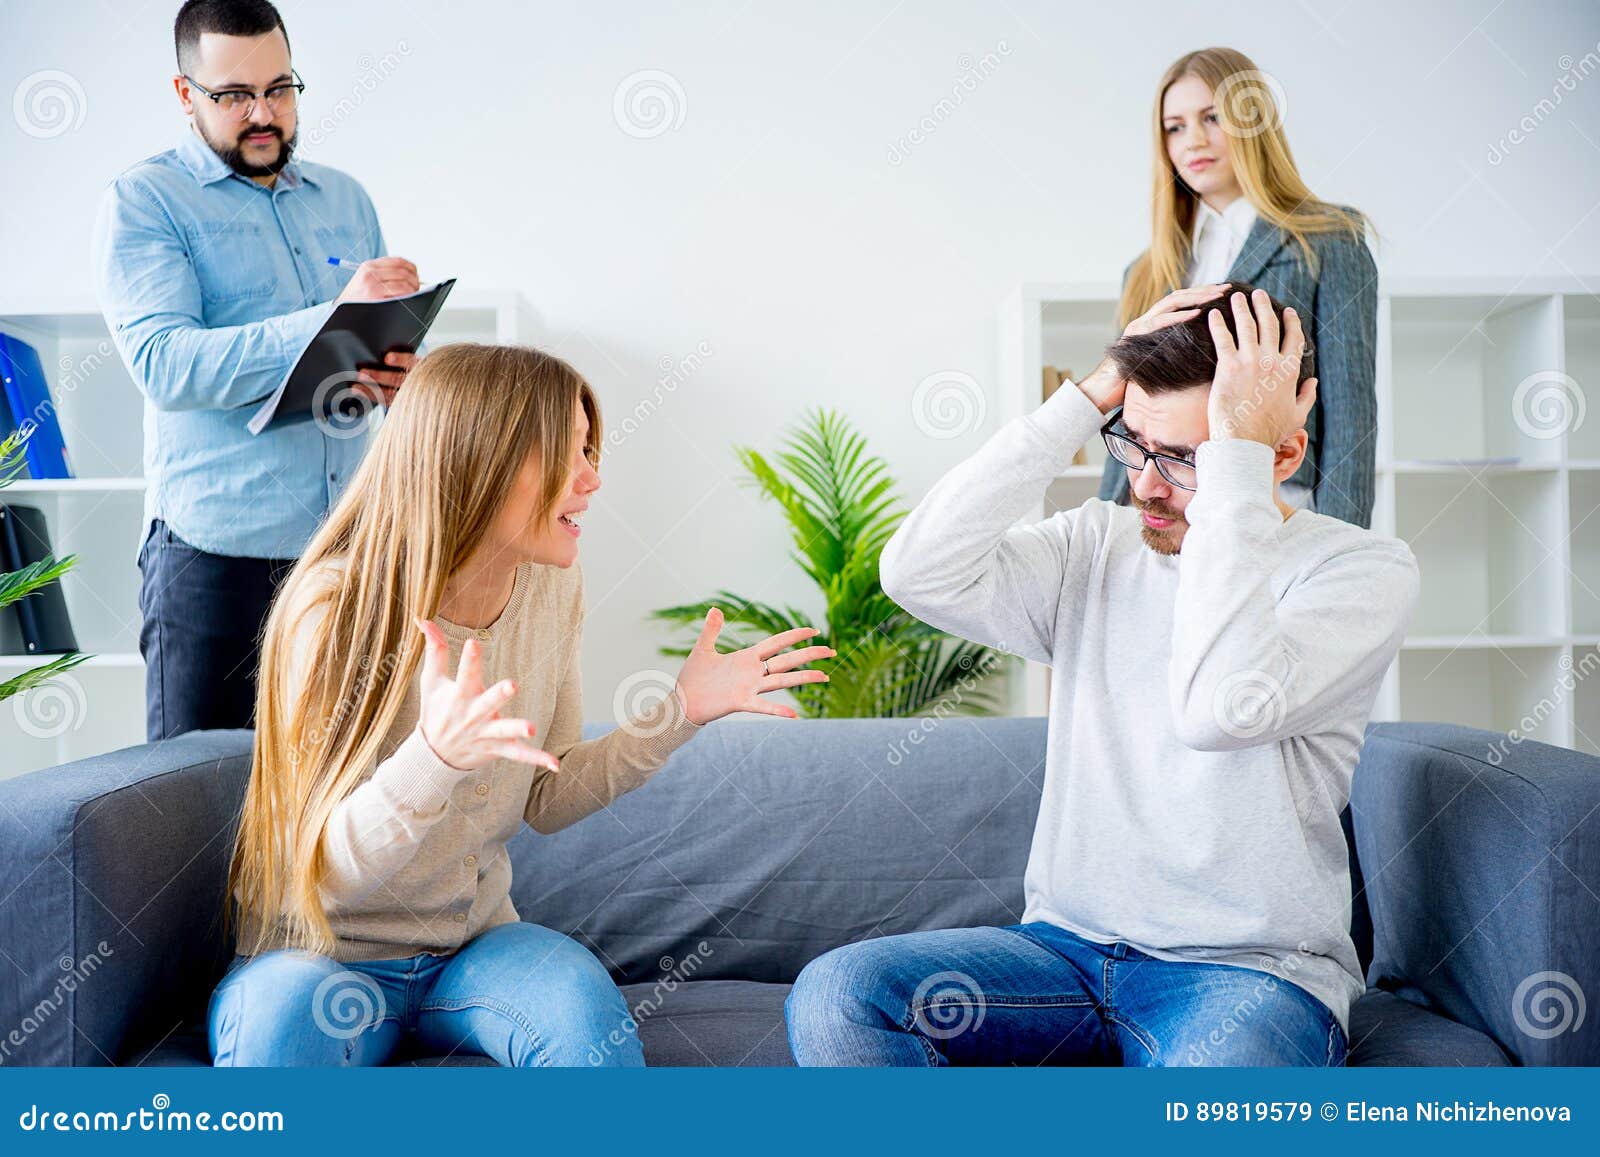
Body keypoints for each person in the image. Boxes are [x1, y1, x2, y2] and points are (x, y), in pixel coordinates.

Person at [785, 286, 1419, 1067]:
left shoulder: (1358, 570)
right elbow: (917, 571)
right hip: (1063, 952)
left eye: (1185, 458)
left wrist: (1235, 468)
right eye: (1136, 443)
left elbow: (1219, 708)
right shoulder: (1093, 545)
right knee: (842, 993)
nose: (1146, 484)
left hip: (1246, 971)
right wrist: (1090, 395)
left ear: (1278, 455)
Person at [209, 344, 832, 1066]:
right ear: (478, 460)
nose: (593, 478)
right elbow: (323, 878)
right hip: (317, 952)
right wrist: (433, 760)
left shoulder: (551, 585)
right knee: (279, 1033)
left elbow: (546, 794)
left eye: (589, 450)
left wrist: (679, 712)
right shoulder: (332, 608)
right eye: (567, 453)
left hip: (470, 949)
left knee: (584, 1027)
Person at [93, 0, 421, 741]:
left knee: (335, 789)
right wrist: (332, 318)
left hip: (342, 555)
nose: (264, 114)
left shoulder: (345, 199)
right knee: (198, 796)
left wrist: (397, 368)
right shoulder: (146, 201)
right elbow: (165, 365)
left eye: (279, 89)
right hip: (212, 564)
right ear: (186, 95)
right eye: (235, 95)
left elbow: (378, 343)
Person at [1098, 46, 1377, 528]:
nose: (1193, 141)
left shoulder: (1328, 241)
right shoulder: (1145, 271)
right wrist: (1108, 519)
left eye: (1211, 118)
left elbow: (1351, 413)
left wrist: (1343, 544)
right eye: (1174, 127)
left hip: (1277, 502)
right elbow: (1130, 409)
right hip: (1165, 503)